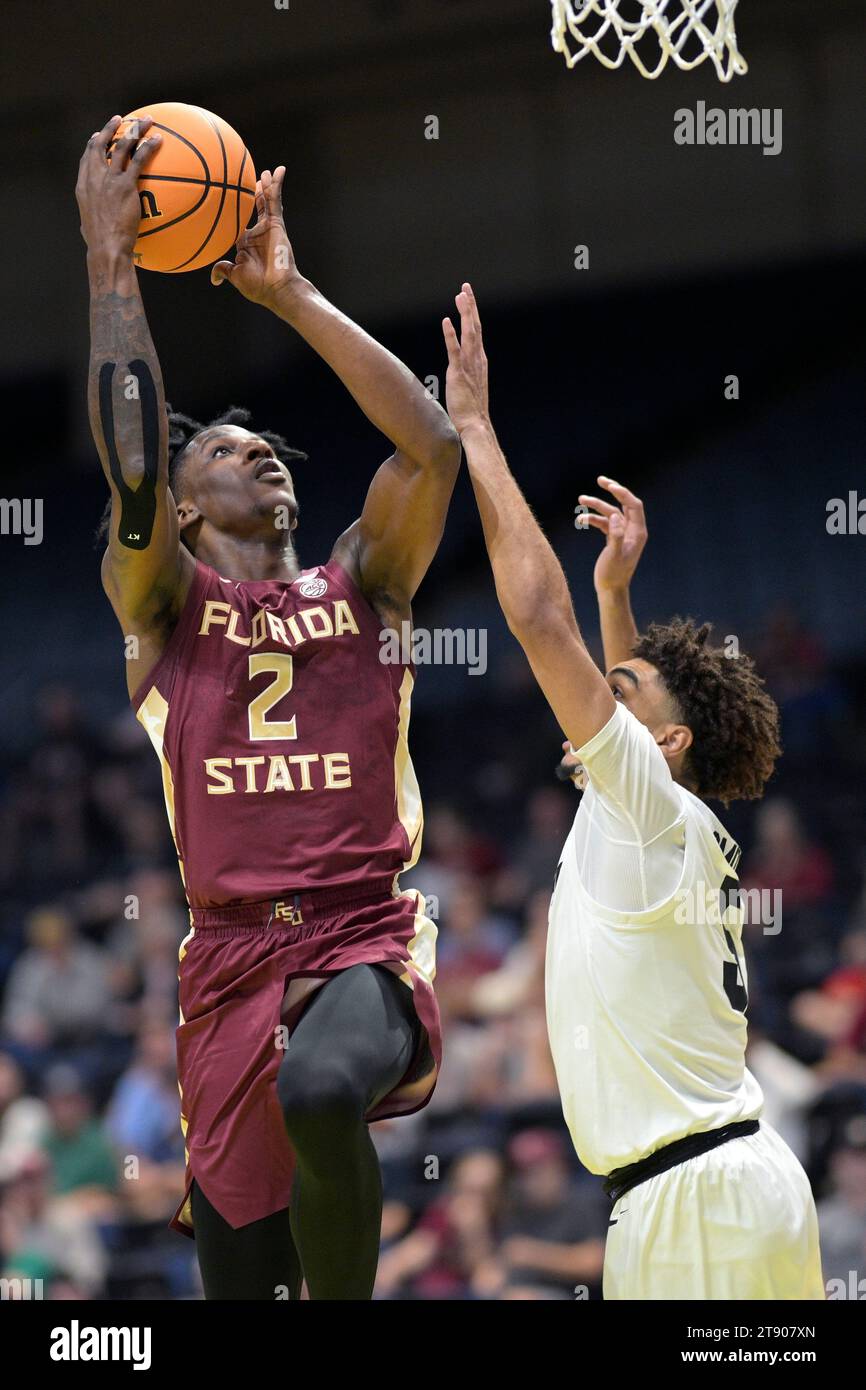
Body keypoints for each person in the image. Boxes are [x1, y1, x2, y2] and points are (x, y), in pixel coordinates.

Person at [75, 114, 461, 1300]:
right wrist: (111, 261)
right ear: (184, 513)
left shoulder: (368, 583)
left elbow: (431, 446)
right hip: (229, 956)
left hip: (362, 930)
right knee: (242, 1271)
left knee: (325, 1087)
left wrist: (287, 293)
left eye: (269, 447)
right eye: (233, 451)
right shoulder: (162, 609)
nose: (264, 457)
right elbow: (132, 466)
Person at [441, 281, 824, 1300]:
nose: (593, 707)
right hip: (718, 1192)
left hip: (695, 1202)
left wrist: (475, 433)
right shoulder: (661, 814)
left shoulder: (651, 808)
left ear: (661, 739)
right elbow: (634, 714)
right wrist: (616, 593)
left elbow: (533, 618)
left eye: (620, 696)